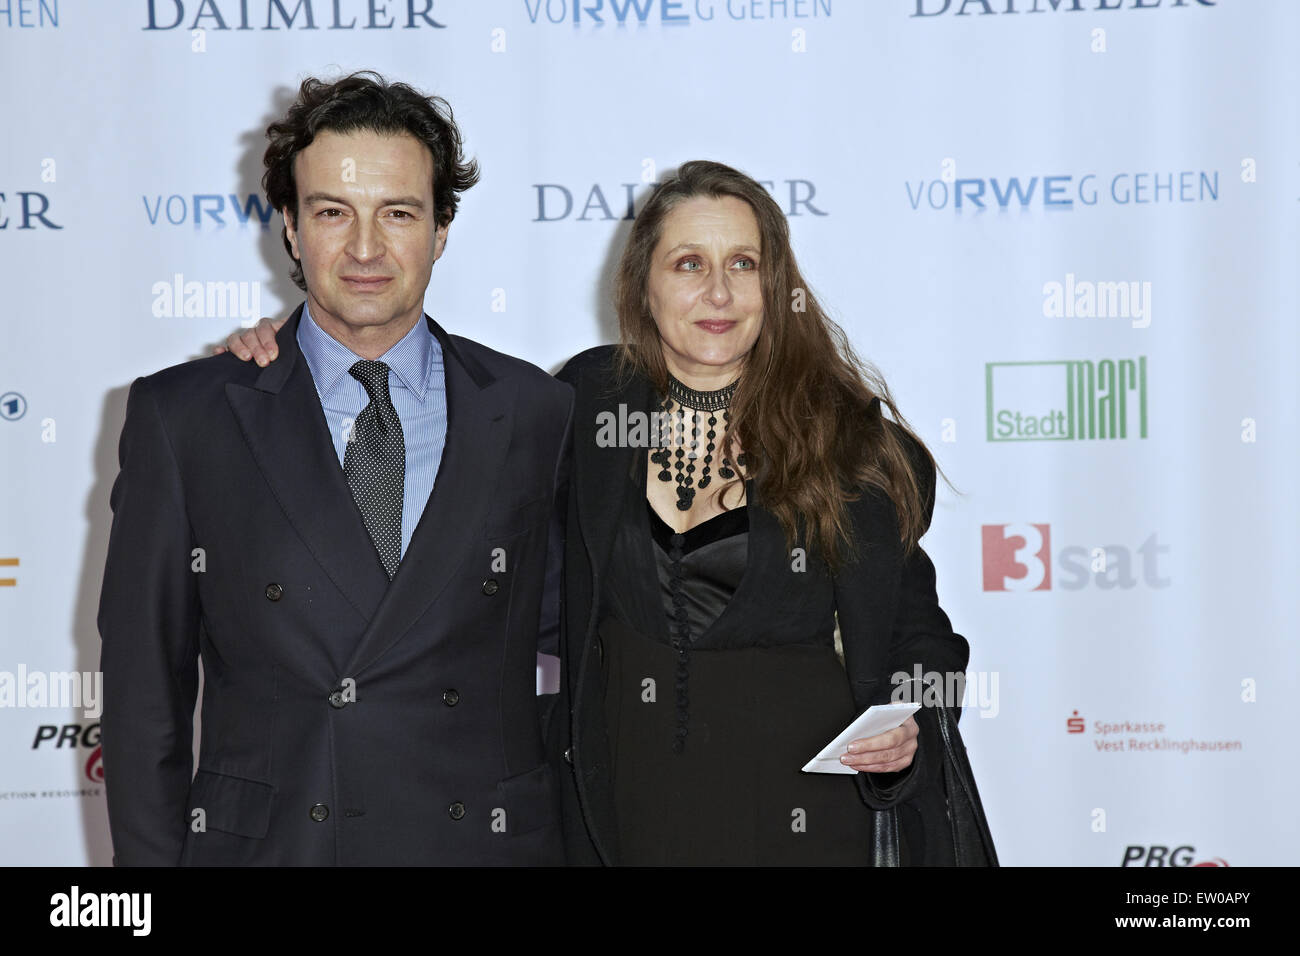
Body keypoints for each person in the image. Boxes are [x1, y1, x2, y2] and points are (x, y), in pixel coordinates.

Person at [224, 161, 975, 866]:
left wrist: (905, 719)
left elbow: (917, 632)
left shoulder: (841, 434)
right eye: (688, 264)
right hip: (621, 814)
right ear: (643, 284)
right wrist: (284, 360)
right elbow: (422, 410)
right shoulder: (586, 404)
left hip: (809, 817)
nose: (718, 292)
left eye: (743, 265)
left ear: (775, 287)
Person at [97, 72, 573, 866]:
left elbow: (603, 635)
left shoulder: (532, 410)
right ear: (288, 226)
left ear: (442, 228)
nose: (364, 249)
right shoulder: (189, 418)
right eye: (331, 213)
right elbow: (146, 694)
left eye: (398, 213)